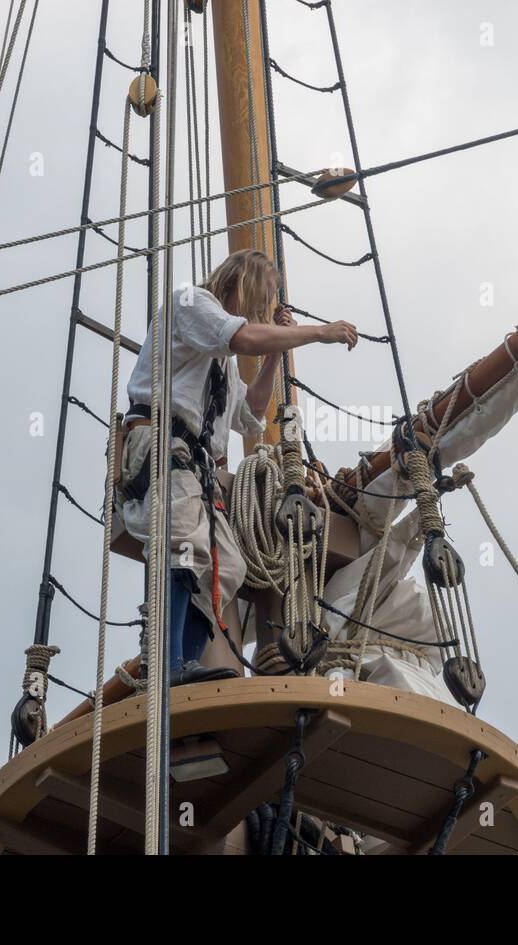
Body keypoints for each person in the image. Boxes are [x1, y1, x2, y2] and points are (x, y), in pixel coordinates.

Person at [117, 249, 358, 686]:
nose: (262, 307)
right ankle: (166, 664)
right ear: (240, 280)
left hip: (195, 465)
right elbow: (243, 337)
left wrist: (272, 358)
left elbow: (252, 412)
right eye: (262, 294)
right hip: (161, 443)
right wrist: (318, 333)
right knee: (185, 543)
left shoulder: (220, 364)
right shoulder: (190, 303)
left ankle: (183, 664)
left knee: (227, 565)